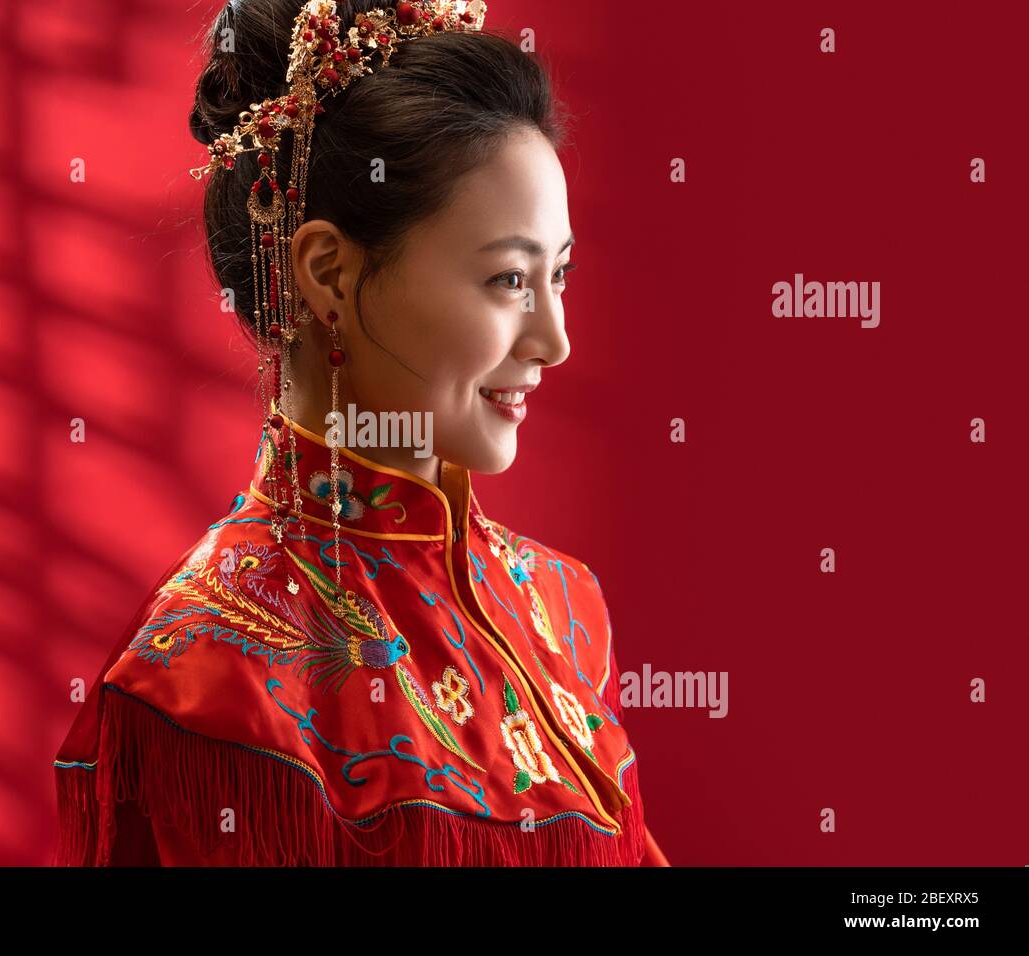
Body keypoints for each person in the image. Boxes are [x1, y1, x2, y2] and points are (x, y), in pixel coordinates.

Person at [53, 0, 670, 867]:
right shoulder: (209, 671)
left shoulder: (561, 609)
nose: (554, 340)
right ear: (329, 275)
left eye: (559, 274)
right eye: (507, 278)